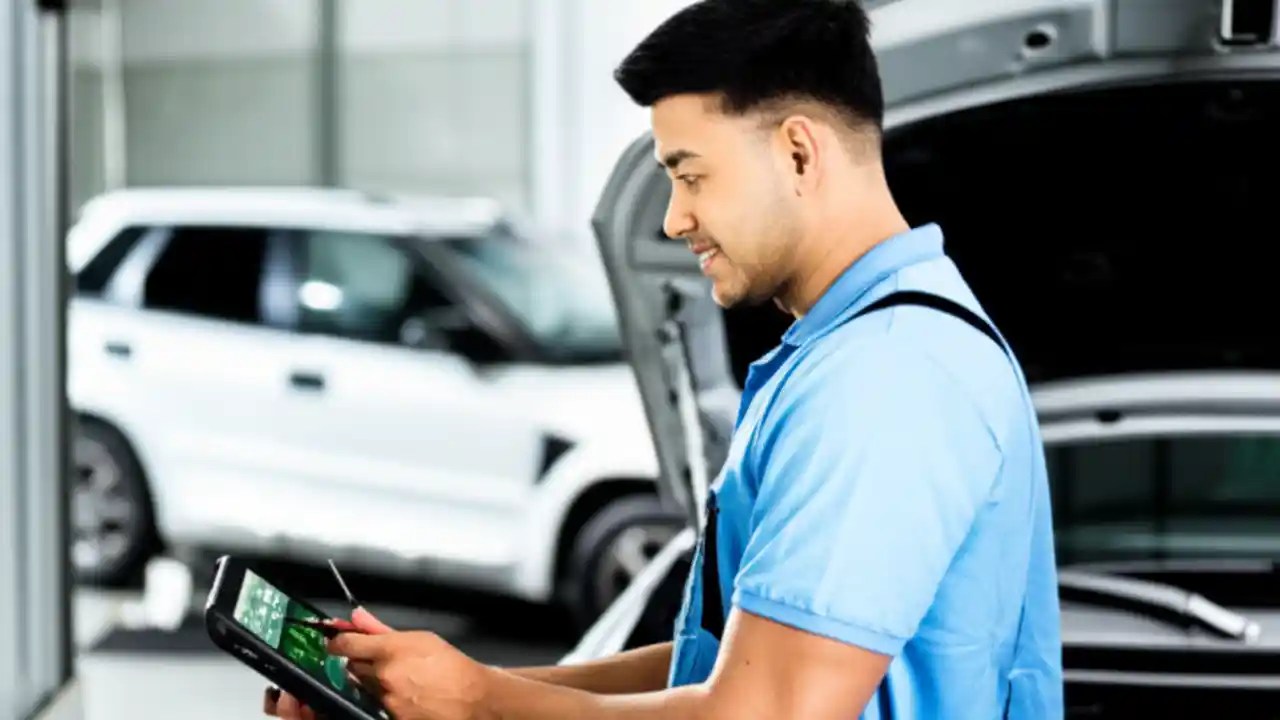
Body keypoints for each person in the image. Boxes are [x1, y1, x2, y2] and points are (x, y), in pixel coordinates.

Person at [265, 1, 1063, 718]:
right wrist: (448, 689)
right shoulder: (860, 353)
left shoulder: (888, 377)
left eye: (690, 175)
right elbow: (724, 669)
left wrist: (477, 704)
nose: (676, 219)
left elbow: (766, 713)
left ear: (796, 153)